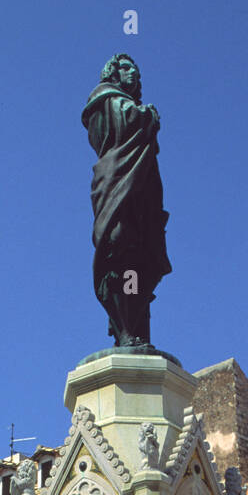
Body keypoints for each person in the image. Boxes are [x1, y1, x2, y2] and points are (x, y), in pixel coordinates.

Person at [82, 54, 171, 347]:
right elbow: (125, 123)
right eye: (126, 67)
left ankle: (134, 328)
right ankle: (123, 329)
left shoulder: (122, 102)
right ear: (113, 73)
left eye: (136, 69)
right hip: (116, 181)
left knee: (138, 259)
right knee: (118, 251)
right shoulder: (105, 99)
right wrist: (146, 116)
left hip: (139, 192)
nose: (134, 72)